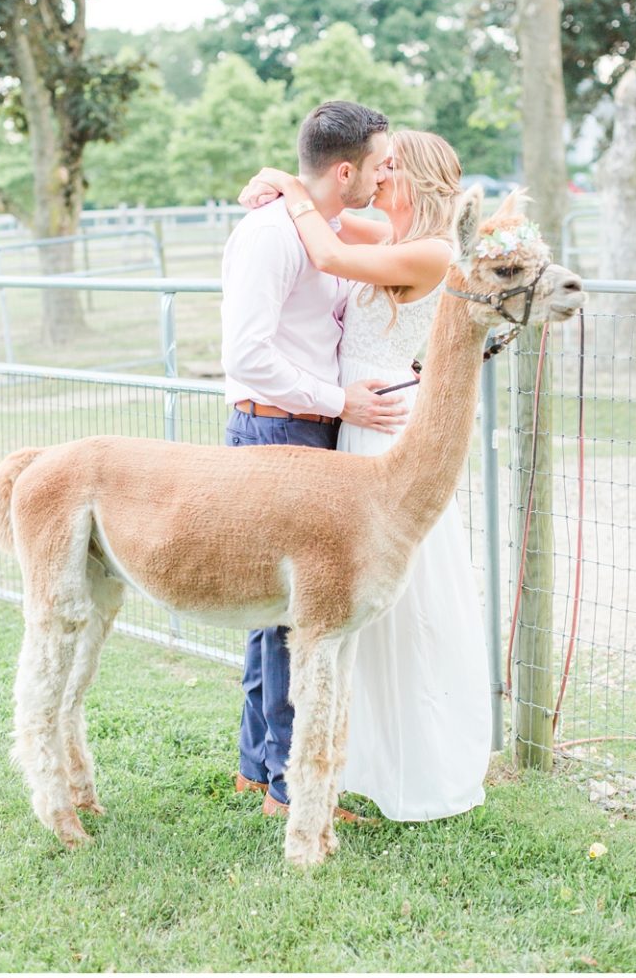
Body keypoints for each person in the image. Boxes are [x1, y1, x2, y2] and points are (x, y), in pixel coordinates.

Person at [239, 129, 491, 821]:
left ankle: (417, 763)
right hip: (356, 427)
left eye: (390, 168)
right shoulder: (389, 234)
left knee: (401, 603)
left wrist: (289, 186)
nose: (378, 176)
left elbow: (327, 250)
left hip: (388, 434)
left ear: (418, 179)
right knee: (345, 604)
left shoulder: (434, 250)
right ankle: (348, 756)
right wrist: (287, 179)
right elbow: (330, 215)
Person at [222, 100, 409, 818]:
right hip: (276, 433)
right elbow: (247, 355)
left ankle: (255, 765)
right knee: (289, 613)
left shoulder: (325, 228)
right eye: (380, 163)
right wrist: (339, 402)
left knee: (274, 607)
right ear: (346, 171)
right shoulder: (272, 235)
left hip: (313, 430)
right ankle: (285, 785)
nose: (387, 173)